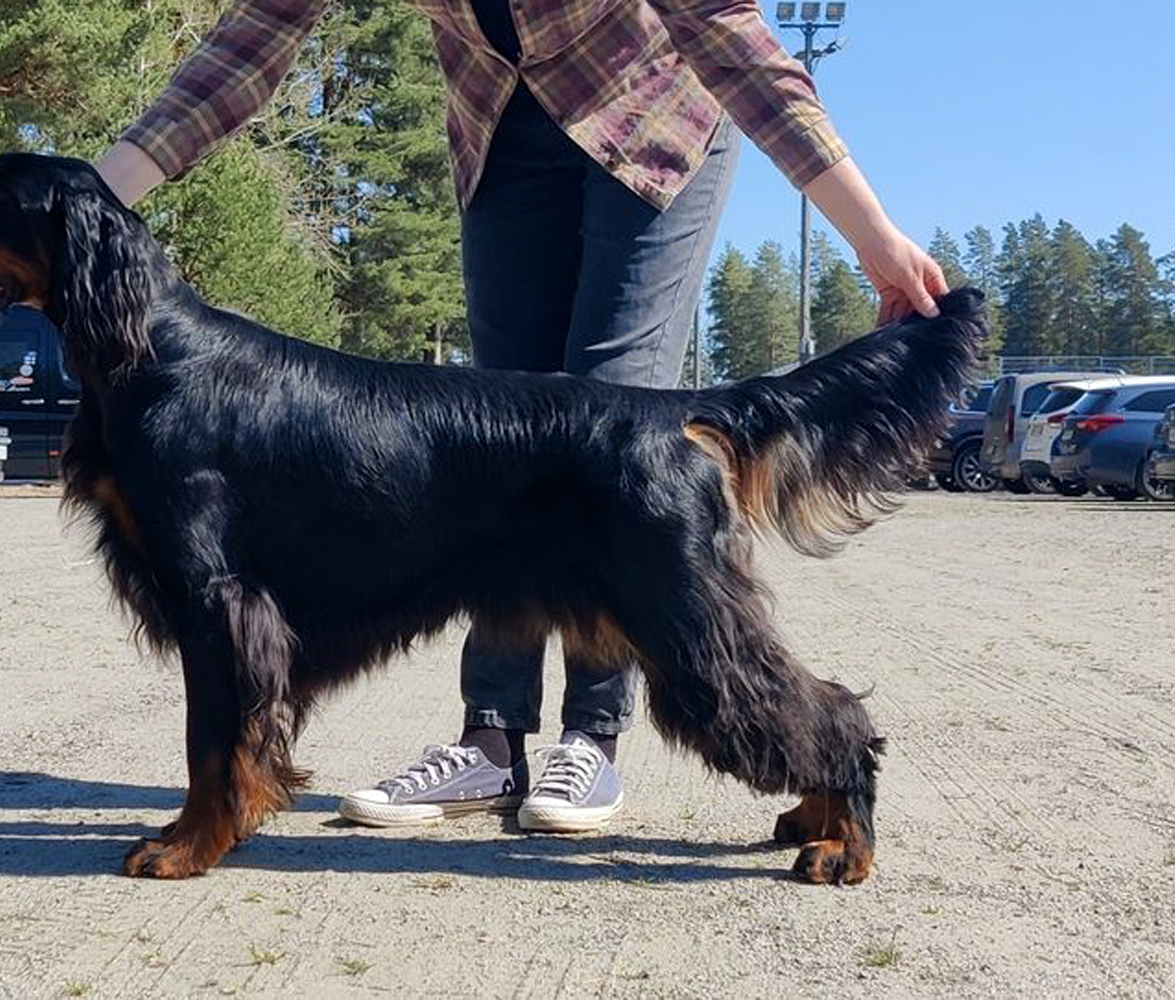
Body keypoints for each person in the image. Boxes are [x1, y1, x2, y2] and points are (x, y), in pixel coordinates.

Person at [97, 0, 947, 835]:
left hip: (655, 110)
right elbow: (252, 42)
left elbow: (730, 36)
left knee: (611, 441)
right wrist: (86, 202)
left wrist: (867, 232)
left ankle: (591, 739)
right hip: (500, 129)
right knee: (494, 441)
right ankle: (493, 741)